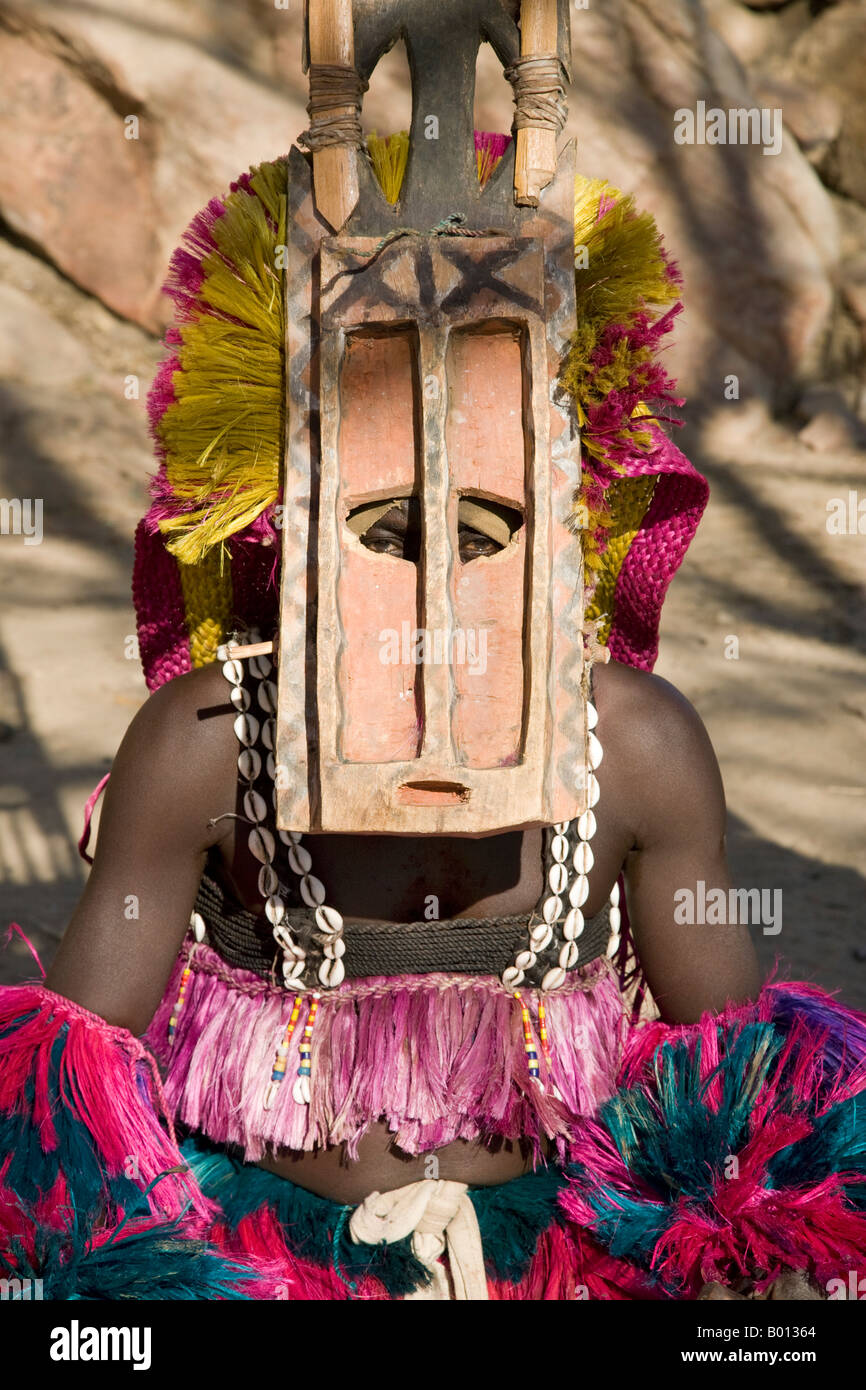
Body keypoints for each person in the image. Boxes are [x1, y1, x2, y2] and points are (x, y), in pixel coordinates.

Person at [2, 0, 866, 1301]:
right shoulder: (203, 743)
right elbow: (62, 1123)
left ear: (567, 530)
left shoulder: (633, 744)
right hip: (269, 1255)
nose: (436, 590)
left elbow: (735, 1100)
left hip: (546, 1256)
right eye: (384, 529)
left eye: (488, 530)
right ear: (286, 523)